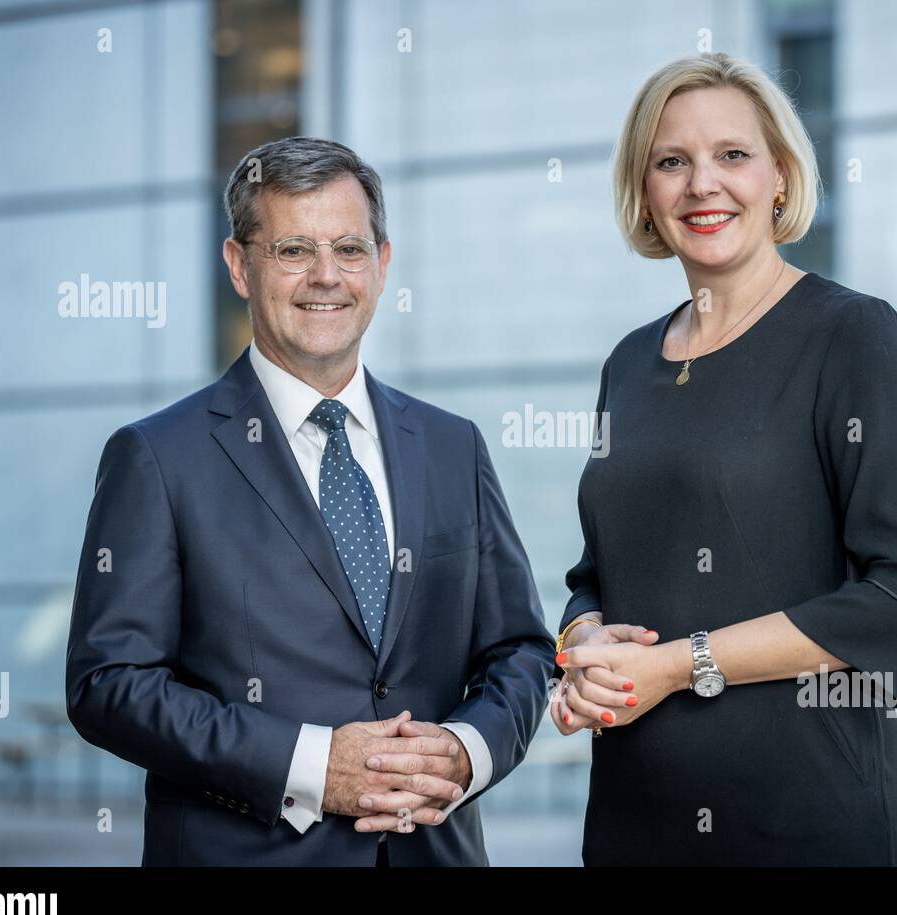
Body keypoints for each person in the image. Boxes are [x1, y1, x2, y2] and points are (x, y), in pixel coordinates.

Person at [66, 136, 553, 866]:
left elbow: (518, 649)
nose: (327, 277)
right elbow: (109, 685)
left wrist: (464, 750)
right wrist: (313, 765)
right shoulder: (158, 458)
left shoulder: (454, 446)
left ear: (383, 267)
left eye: (350, 250)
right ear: (239, 265)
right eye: (293, 250)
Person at [550, 53, 897, 865]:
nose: (703, 184)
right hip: (637, 821)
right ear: (646, 191)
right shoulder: (628, 365)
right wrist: (582, 646)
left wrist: (677, 665)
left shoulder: (853, 337)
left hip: (808, 821)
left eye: (732, 155)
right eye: (672, 161)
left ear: (780, 176)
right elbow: (598, 570)